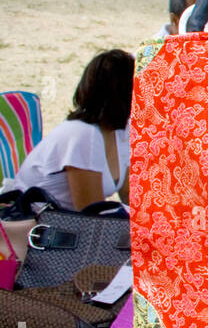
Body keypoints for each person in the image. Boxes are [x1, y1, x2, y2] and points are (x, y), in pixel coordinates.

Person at [1, 49, 133, 210]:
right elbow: (92, 215)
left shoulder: (119, 132)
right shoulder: (83, 135)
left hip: (67, 226)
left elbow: (129, 195)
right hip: (37, 228)